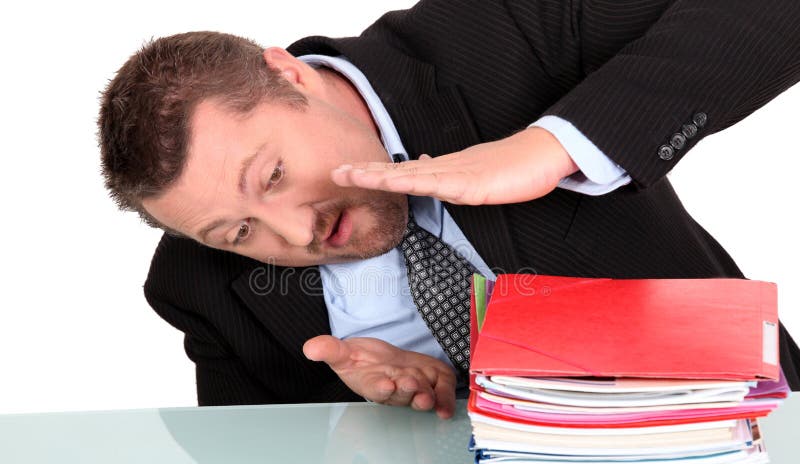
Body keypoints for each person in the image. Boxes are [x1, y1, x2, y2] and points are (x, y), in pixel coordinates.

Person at [98, 0, 800, 418]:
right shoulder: (198, 287)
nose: (295, 231)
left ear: (290, 76)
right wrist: (365, 432)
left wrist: (555, 146)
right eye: (239, 231)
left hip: (734, 448)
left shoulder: (493, 38)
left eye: (273, 175)